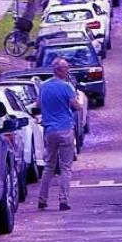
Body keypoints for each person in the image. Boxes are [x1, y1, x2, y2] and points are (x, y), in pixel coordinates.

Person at [36, 58, 81, 212]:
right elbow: (76, 106)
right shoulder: (67, 87)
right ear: (60, 70)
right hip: (65, 129)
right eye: (66, 68)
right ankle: (63, 200)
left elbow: (38, 105)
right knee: (66, 167)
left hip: (49, 130)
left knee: (49, 166)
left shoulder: (43, 86)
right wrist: (78, 103)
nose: (68, 70)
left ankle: (42, 199)